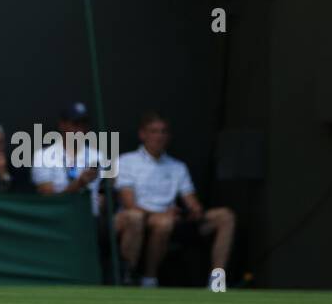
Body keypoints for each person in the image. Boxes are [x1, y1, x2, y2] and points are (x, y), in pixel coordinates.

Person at [115, 112, 236, 287]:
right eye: (154, 131)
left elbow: (189, 198)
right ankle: (149, 279)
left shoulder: (177, 166)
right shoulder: (126, 161)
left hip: (174, 219)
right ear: (142, 134)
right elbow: (129, 205)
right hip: (143, 217)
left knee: (225, 216)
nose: (159, 136)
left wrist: (194, 209)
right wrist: (164, 214)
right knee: (163, 222)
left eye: (163, 132)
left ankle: (217, 281)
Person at [33, 102, 105, 215]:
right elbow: (48, 200)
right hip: (59, 222)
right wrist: (79, 184)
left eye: (84, 124)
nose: (80, 129)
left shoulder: (98, 156)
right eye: (75, 124)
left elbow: (107, 192)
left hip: (91, 221)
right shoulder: (42, 156)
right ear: (62, 125)